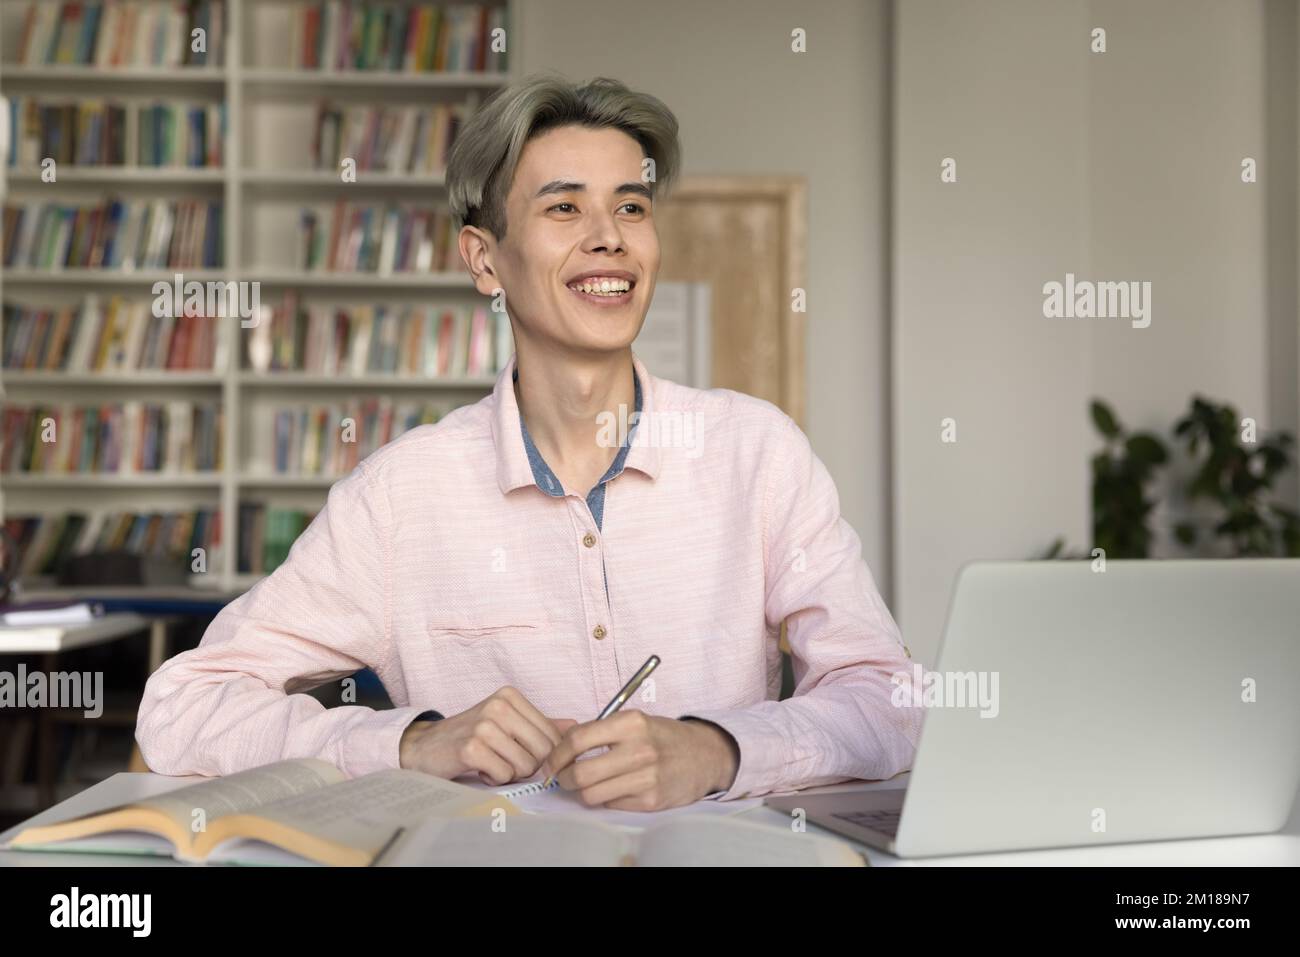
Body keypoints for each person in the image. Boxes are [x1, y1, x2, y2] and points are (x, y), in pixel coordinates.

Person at [136, 74, 921, 811]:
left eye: (632, 206)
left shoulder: (759, 454)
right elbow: (181, 707)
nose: (610, 237)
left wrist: (720, 748)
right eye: (564, 208)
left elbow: (888, 697)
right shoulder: (399, 497)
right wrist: (407, 741)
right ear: (485, 261)